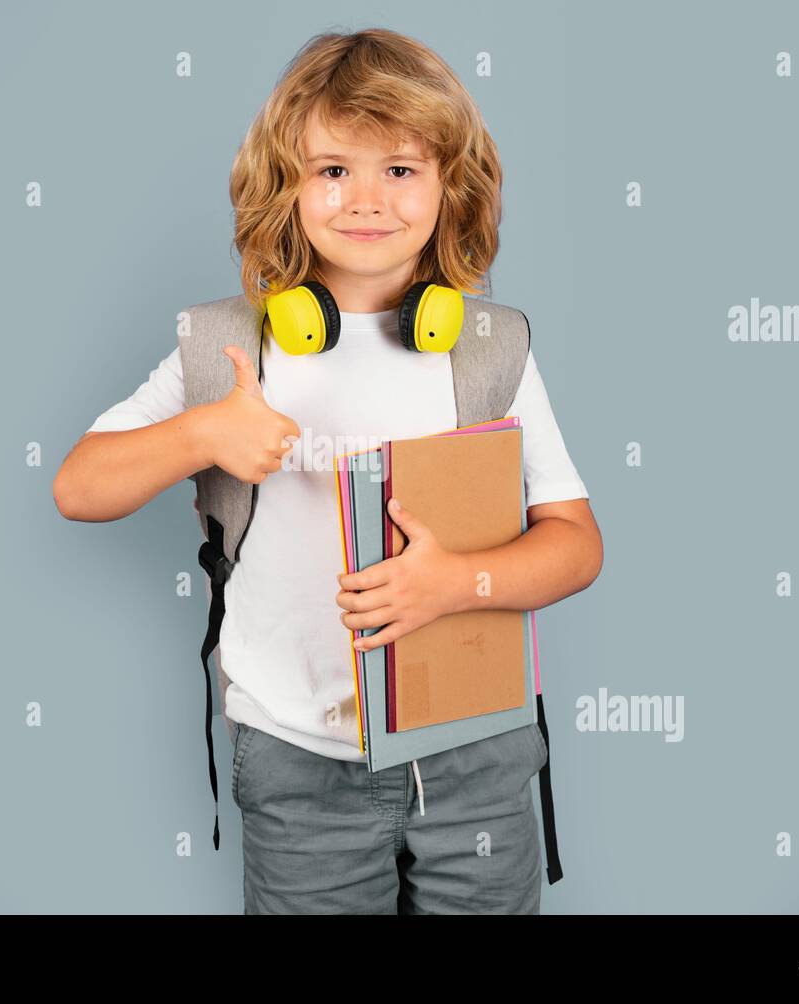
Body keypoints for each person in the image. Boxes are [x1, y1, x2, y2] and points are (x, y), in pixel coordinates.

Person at [53, 28, 602, 914]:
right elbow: (77, 488)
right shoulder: (230, 347)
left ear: (451, 189)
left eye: (401, 169)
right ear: (286, 187)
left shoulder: (487, 350)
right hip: (297, 768)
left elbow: (577, 546)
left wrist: (454, 584)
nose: (367, 200)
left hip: (474, 761)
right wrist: (202, 434)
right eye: (334, 169)